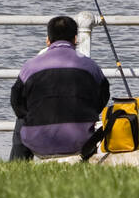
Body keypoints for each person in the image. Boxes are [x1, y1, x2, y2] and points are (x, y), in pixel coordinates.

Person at [9, 15, 110, 161]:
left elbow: (16, 103)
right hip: (81, 143)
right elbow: (102, 98)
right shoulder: (91, 66)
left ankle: (17, 165)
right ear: (75, 39)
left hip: (39, 144)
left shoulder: (29, 67)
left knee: (22, 121)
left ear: (48, 40)